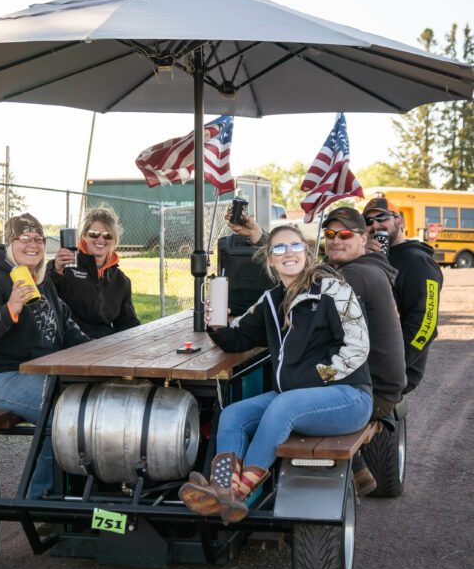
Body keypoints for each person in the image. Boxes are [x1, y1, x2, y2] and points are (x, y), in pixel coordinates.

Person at [179, 224, 373, 523]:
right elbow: (239, 338)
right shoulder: (270, 300)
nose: (288, 253)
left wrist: (313, 377)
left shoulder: (335, 290)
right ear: (270, 259)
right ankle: (222, 488)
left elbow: (358, 348)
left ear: (307, 253)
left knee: (284, 404)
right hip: (292, 399)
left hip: (349, 396)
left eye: (295, 246)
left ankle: (237, 494)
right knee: (233, 414)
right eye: (279, 248)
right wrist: (217, 326)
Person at [0, 213, 90, 498]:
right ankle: (40, 498)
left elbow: (67, 327)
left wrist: (101, 352)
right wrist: (9, 310)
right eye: (24, 238)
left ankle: (74, 490)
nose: (33, 244)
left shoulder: (42, 281)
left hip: (28, 375)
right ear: (9, 243)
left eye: (38, 239)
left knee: (84, 403)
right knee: (63, 415)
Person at [323, 205, 406, 496]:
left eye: (345, 234)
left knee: (288, 390)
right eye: (330, 234)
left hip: (373, 392)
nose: (335, 240)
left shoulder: (354, 276)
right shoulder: (367, 267)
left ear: (363, 238)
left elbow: (327, 337)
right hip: (380, 384)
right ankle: (357, 468)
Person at [363, 196, 443, 394]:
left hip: (394, 374)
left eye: (382, 218)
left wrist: (396, 365)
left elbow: (426, 323)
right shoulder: (366, 257)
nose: (375, 225)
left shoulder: (418, 262)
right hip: (365, 364)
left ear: (399, 221)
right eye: (368, 221)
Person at [49, 206, 140, 339]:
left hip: (105, 344)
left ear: (114, 240)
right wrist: (55, 270)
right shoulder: (66, 266)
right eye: (94, 234)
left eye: (108, 235)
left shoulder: (120, 280)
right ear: (84, 236)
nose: (101, 240)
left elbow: (127, 322)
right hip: (71, 342)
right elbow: (45, 292)